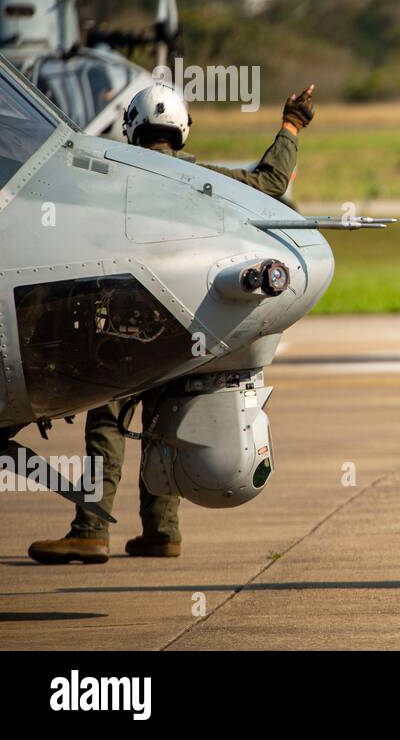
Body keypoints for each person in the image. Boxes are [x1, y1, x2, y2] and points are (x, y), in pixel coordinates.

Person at [27, 82, 316, 565]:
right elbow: (270, 183)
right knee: (164, 423)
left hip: (117, 329)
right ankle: (161, 531)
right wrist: (292, 124)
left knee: (107, 421)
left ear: (133, 127)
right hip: (178, 331)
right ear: (181, 130)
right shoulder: (198, 178)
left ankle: (91, 531)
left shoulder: (108, 178)